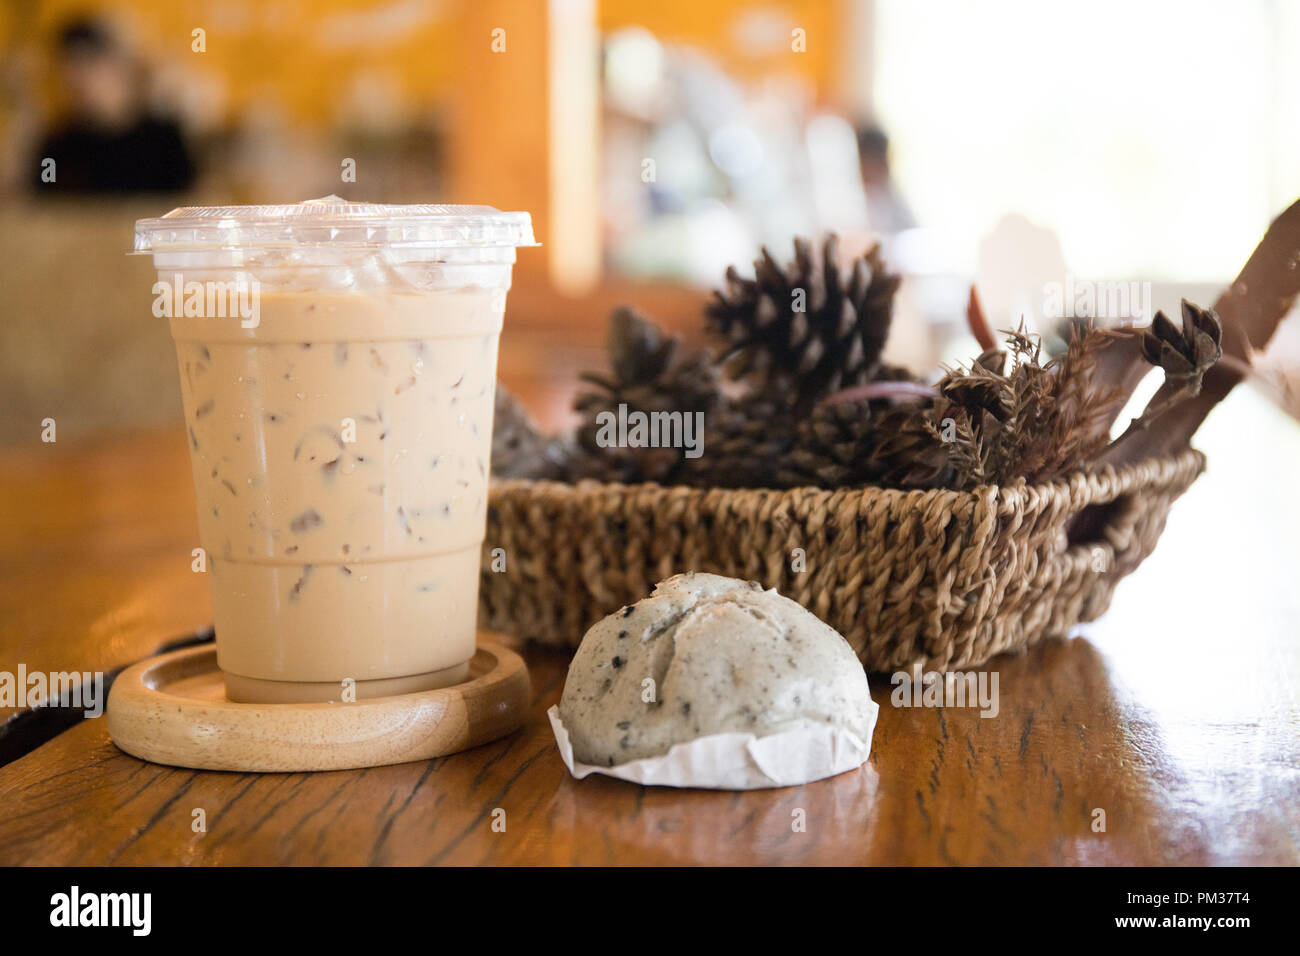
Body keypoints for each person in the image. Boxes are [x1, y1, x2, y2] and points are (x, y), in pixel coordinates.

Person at [31, 17, 195, 195]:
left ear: (120, 66)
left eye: (89, 62)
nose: (77, 78)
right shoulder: (57, 147)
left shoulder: (164, 142)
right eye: (69, 66)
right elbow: (39, 206)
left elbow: (190, 202)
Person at [856, 123, 916, 235]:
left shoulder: (891, 192)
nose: (884, 167)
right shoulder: (854, 198)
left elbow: (911, 229)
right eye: (877, 162)